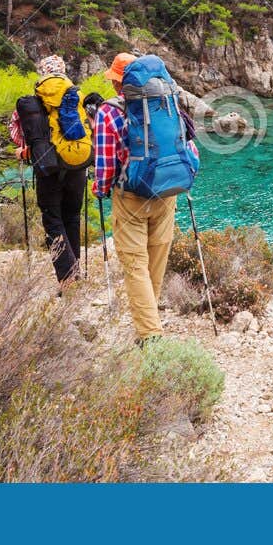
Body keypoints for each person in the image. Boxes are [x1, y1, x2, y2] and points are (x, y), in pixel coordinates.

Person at [92, 52, 200, 346]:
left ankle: (150, 335)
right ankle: (149, 320)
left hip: (131, 198)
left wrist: (100, 190)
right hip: (167, 193)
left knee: (135, 263)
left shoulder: (108, 113)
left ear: (118, 82)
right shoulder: (168, 102)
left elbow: (105, 167)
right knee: (156, 258)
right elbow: (190, 149)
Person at [13, 55, 91, 290]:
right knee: (72, 217)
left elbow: (17, 136)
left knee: (53, 220)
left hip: (48, 170)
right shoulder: (77, 97)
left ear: (42, 72)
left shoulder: (33, 102)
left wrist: (25, 152)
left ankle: (67, 279)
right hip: (76, 166)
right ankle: (75, 271)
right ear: (64, 72)